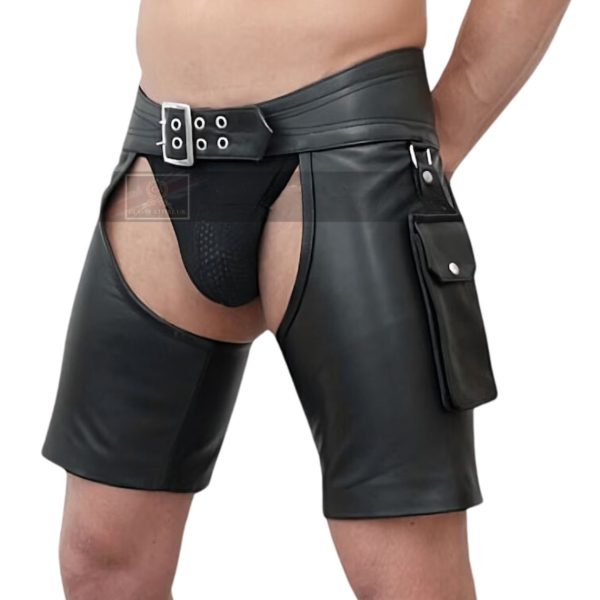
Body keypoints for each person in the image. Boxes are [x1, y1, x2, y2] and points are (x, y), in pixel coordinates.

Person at [41, 0, 570, 598]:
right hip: (165, 157)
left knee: (406, 574)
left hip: (350, 149)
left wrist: (439, 137)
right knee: (101, 562)